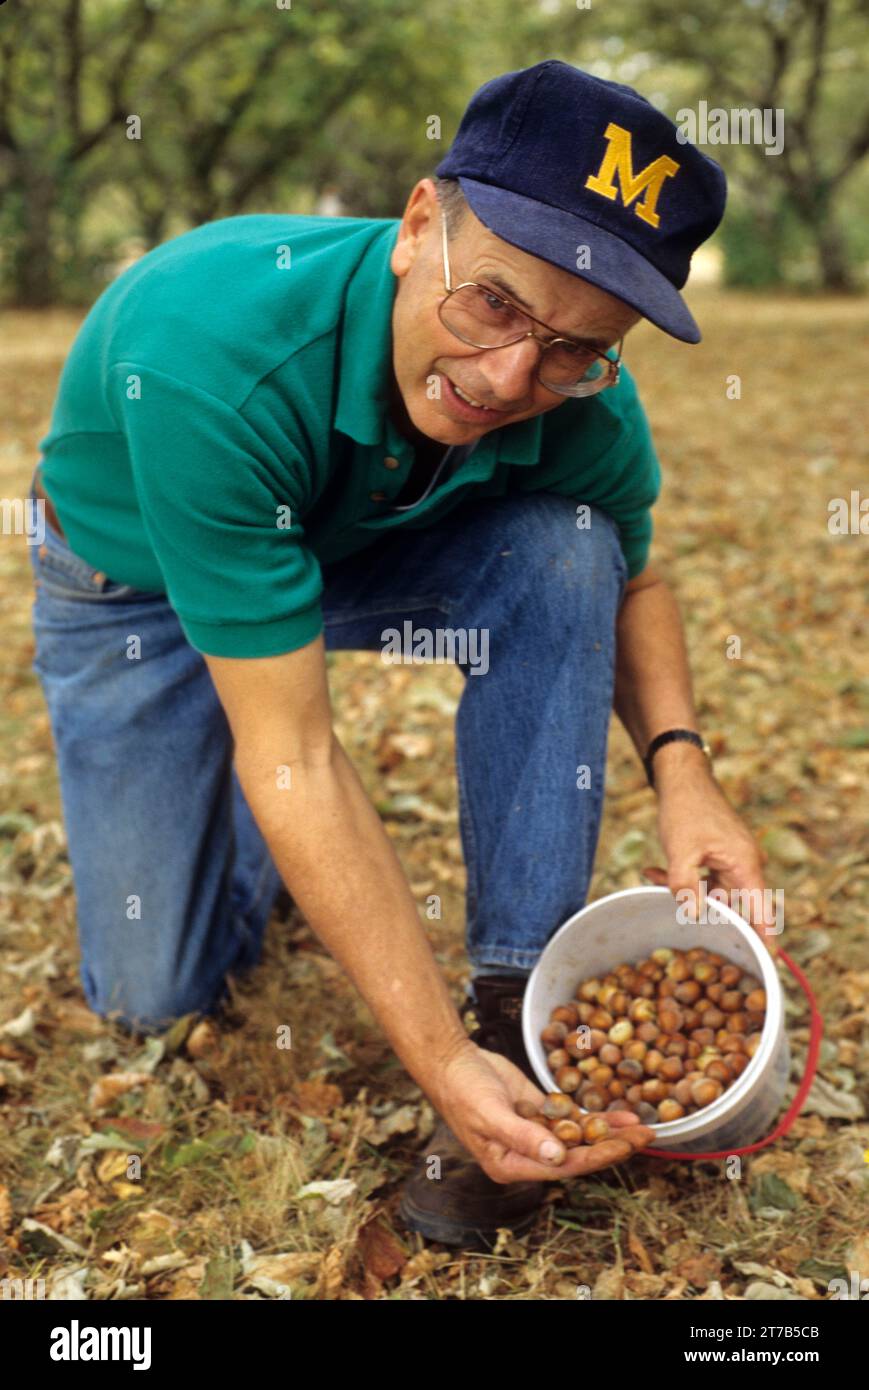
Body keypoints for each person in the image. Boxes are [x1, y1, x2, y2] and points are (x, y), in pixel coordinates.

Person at [28, 60, 773, 1250]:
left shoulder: (574, 391)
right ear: (418, 222)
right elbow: (303, 755)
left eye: (577, 347)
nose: (506, 379)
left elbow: (632, 573)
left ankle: (515, 1012)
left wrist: (681, 766)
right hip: (138, 587)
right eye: (490, 304)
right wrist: (423, 1058)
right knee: (153, 992)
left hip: (348, 547)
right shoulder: (205, 353)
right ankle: (238, 812)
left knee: (564, 546)